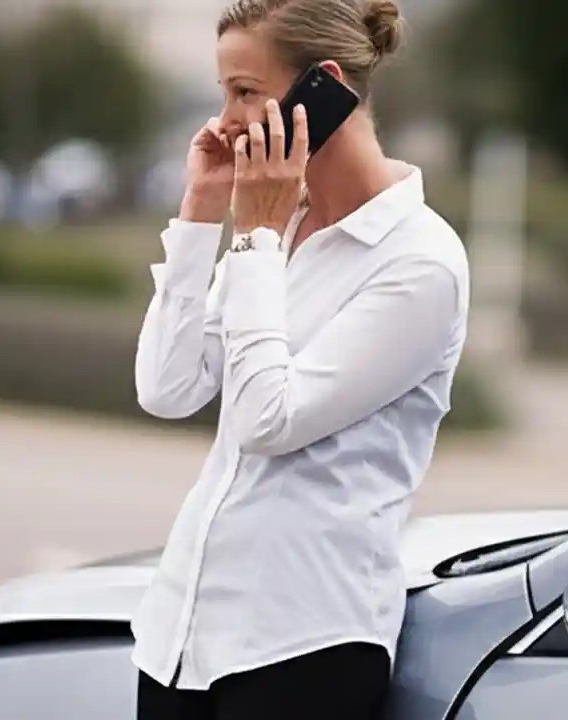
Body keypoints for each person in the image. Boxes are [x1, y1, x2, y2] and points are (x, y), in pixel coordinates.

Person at [130, 1, 469, 718]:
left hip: (303, 651)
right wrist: (200, 214)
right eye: (224, 92)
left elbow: (267, 420)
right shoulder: (278, 224)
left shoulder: (420, 263)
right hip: (178, 642)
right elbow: (166, 387)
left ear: (324, 87)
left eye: (246, 92)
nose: (224, 121)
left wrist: (252, 237)